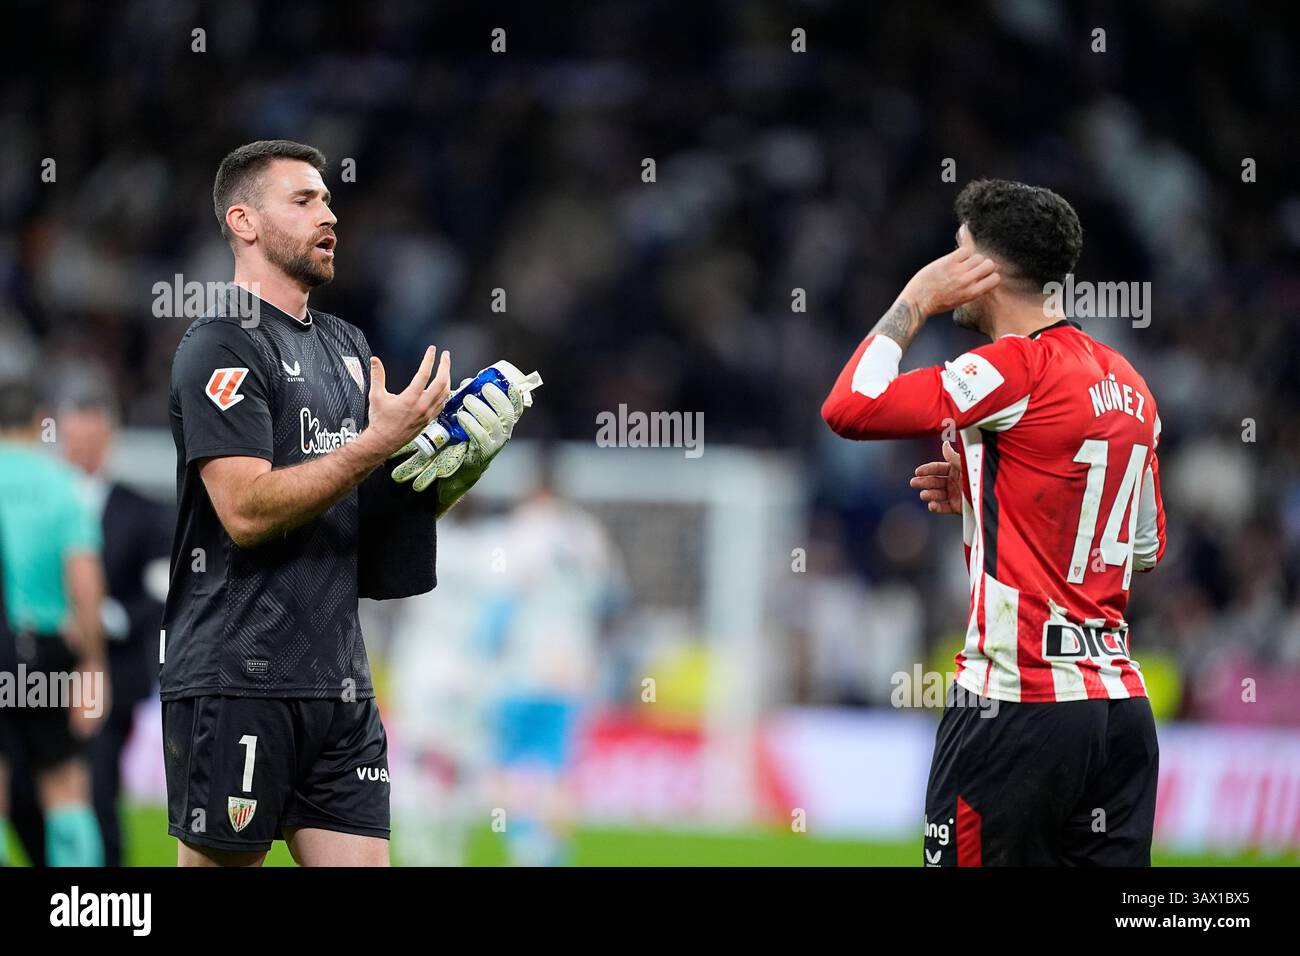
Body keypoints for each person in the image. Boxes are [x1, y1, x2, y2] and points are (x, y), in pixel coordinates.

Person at [161, 140, 520, 867]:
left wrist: (450, 473)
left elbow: (367, 534)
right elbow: (246, 511)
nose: (329, 214)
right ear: (245, 221)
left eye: (328, 199)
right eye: (304, 200)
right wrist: (372, 444)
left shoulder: (349, 347)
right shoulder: (219, 346)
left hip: (340, 685)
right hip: (239, 676)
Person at [822, 179, 1166, 866]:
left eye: (957, 256)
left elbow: (850, 408)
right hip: (1121, 714)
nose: (949, 270)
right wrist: (997, 500)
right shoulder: (1129, 381)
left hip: (1017, 703)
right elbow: (1143, 549)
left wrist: (913, 299)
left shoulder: (1012, 367)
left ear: (985, 272)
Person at [0, 378, 108, 866]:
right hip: (46, 650)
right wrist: (91, 662)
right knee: (64, 786)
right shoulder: (61, 484)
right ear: (38, 418)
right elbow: (83, 579)